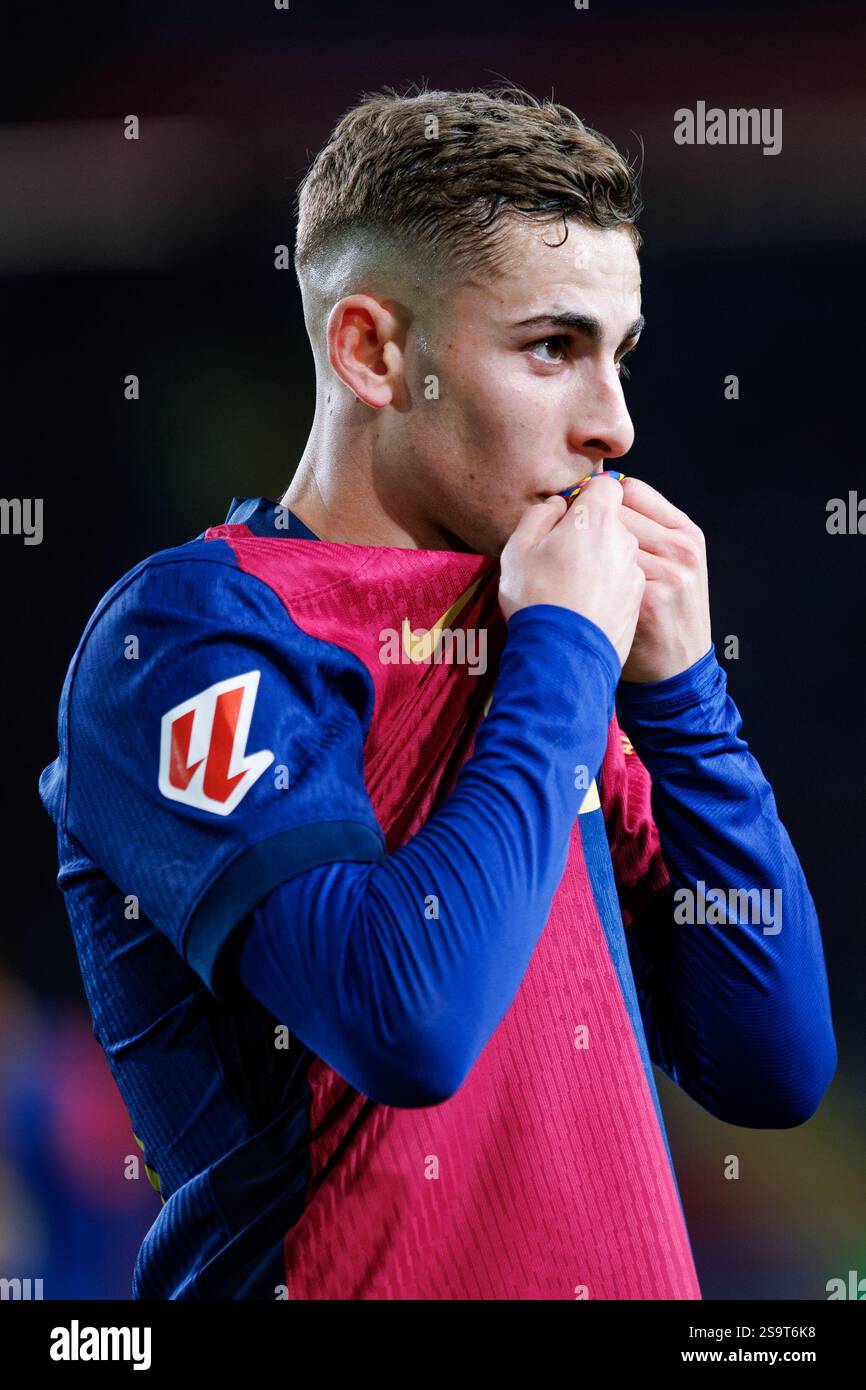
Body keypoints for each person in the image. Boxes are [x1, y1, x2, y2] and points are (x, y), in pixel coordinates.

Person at [39, 86, 836, 1300]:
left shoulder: (543, 629)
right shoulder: (193, 634)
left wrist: (681, 702)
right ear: (371, 351)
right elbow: (403, 1018)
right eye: (550, 347)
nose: (613, 424)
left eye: (618, 355)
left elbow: (769, 1064)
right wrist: (567, 654)